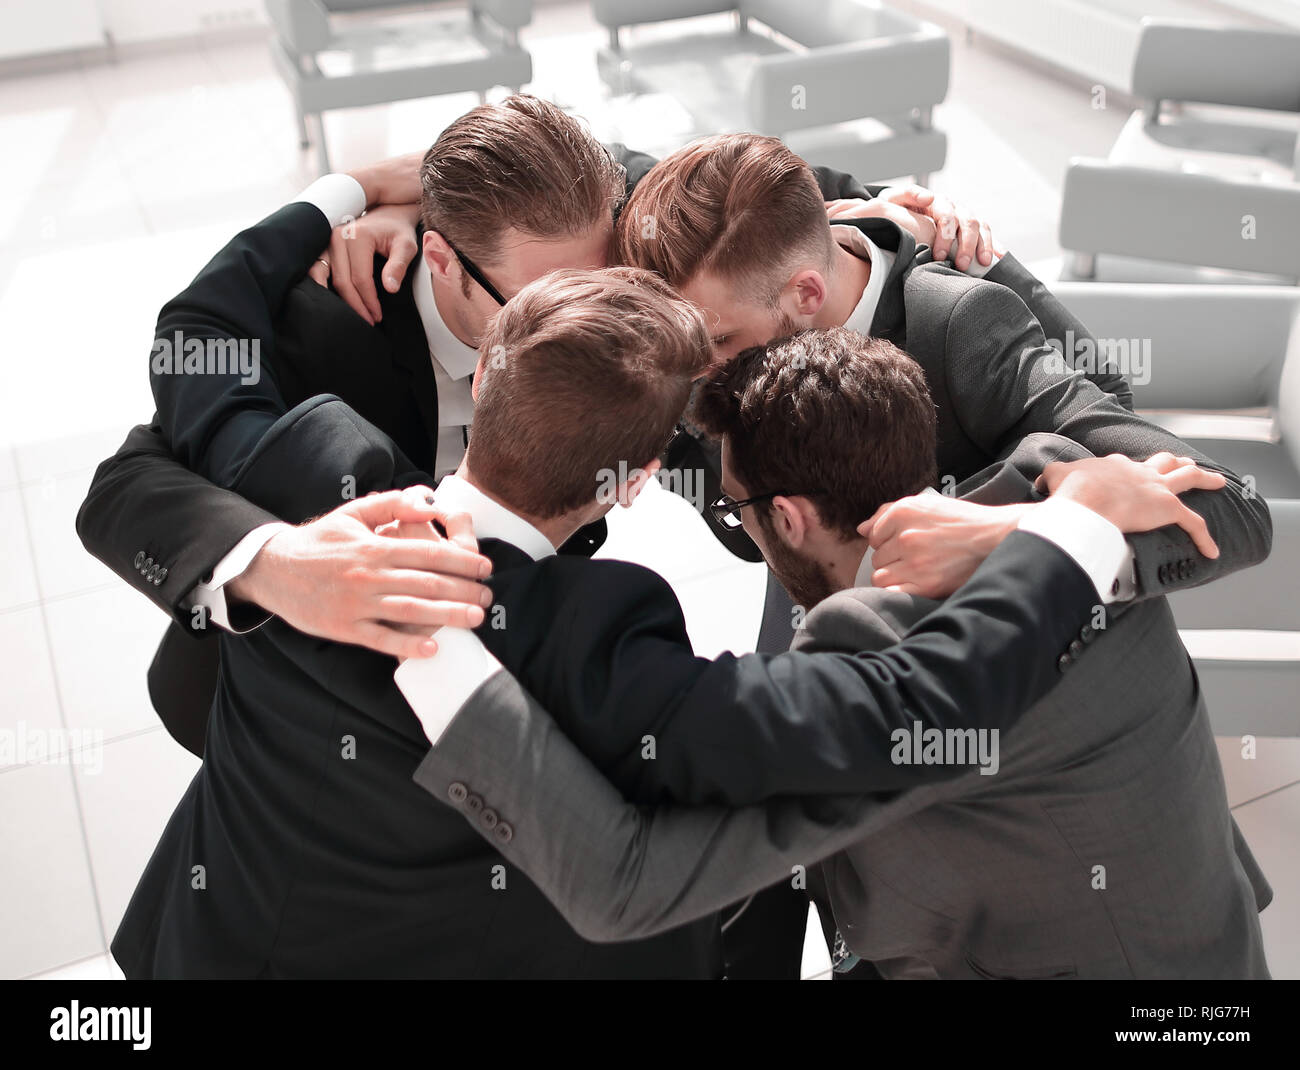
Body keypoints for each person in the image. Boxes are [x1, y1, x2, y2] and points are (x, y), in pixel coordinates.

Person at [403, 328, 1271, 979]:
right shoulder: (1052, 480)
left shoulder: (868, 641)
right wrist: (1047, 520)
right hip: (1205, 935)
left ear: (787, 518)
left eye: (736, 508)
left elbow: (647, 873)